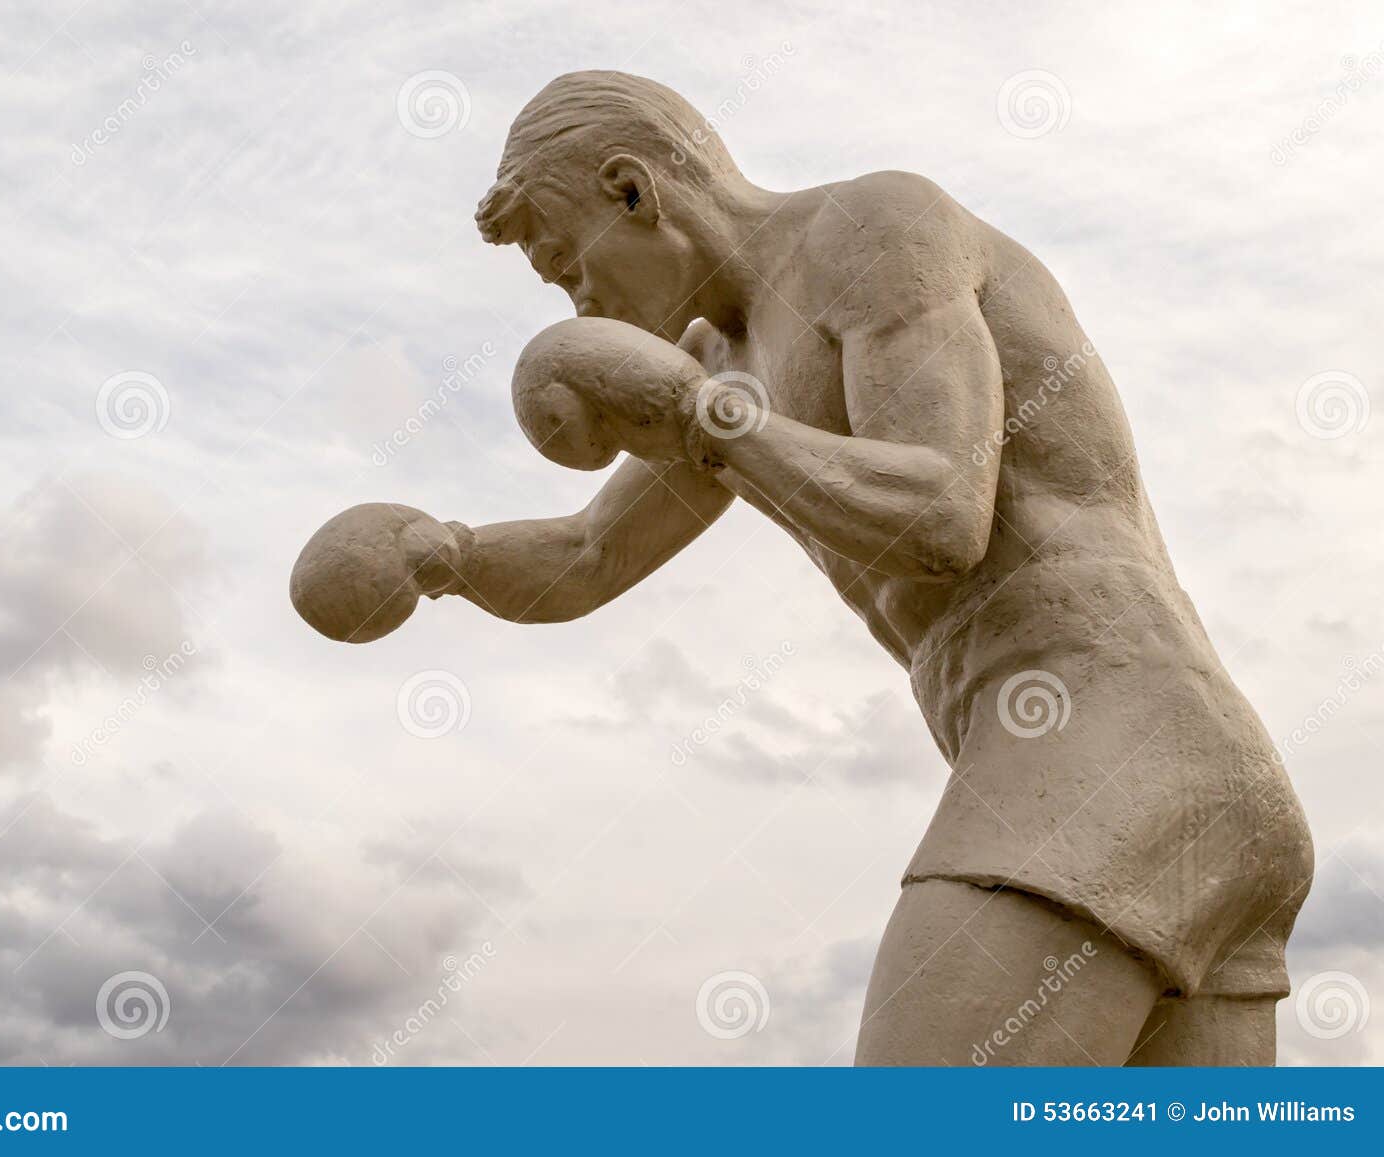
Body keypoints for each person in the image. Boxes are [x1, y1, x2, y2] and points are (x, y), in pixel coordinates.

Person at [292, 71, 1311, 1065]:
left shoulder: (869, 230)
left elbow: (941, 512)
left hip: (1118, 746)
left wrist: (708, 422)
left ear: (632, 190)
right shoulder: (722, 370)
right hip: (1180, 790)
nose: (579, 300)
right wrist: (448, 554)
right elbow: (588, 554)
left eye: (568, 265)